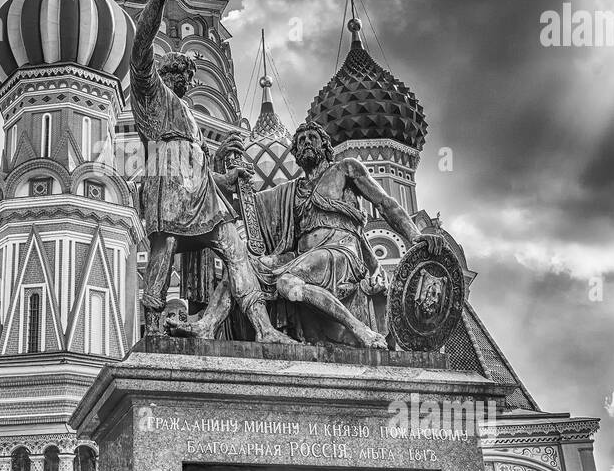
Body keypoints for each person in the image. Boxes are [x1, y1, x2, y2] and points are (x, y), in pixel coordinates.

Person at [128, 0, 293, 344]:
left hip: (202, 193)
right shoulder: (151, 94)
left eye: (188, 75)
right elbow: (139, 46)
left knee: (236, 250)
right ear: (165, 74)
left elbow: (198, 168)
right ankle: (152, 326)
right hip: (166, 182)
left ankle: (264, 329)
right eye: (179, 73)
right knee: (163, 250)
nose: (185, 80)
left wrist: (226, 178)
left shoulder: (189, 116)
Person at [176, 120, 443, 347]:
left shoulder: (344, 169)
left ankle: (361, 330)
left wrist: (415, 236)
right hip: (303, 255)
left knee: (288, 281)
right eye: (300, 139)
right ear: (294, 151)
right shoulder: (291, 190)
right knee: (242, 268)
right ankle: (207, 325)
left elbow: (386, 203)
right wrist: (220, 166)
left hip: (341, 252)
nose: (305, 142)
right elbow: (243, 206)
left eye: (312, 138)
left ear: (325, 146)